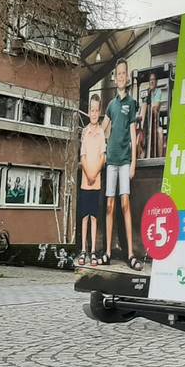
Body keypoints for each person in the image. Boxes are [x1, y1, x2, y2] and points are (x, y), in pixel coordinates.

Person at [102, 59, 142, 271]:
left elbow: (134, 135)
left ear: (127, 78)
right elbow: (103, 128)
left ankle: (131, 254)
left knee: (125, 204)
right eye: (118, 74)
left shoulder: (132, 104)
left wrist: (134, 162)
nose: (121, 77)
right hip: (111, 162)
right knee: (110, 205)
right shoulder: (111, 105)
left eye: (124, 73)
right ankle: (107, 252)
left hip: (125, 161)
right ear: (115, 77)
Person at [78, 93, 106, 266]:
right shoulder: (85, 132)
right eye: (92, 110)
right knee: (85, 217)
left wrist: (94, 174)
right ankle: (83, 250)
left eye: (97, 110)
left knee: (94, 216)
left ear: (99, 111)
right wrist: (88, 174)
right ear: (88, 111)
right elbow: (83, 156)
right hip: (85, 183)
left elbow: (103, 157)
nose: (94, 113)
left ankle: (93, 251)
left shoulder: (101, 133)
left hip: (95, 183)